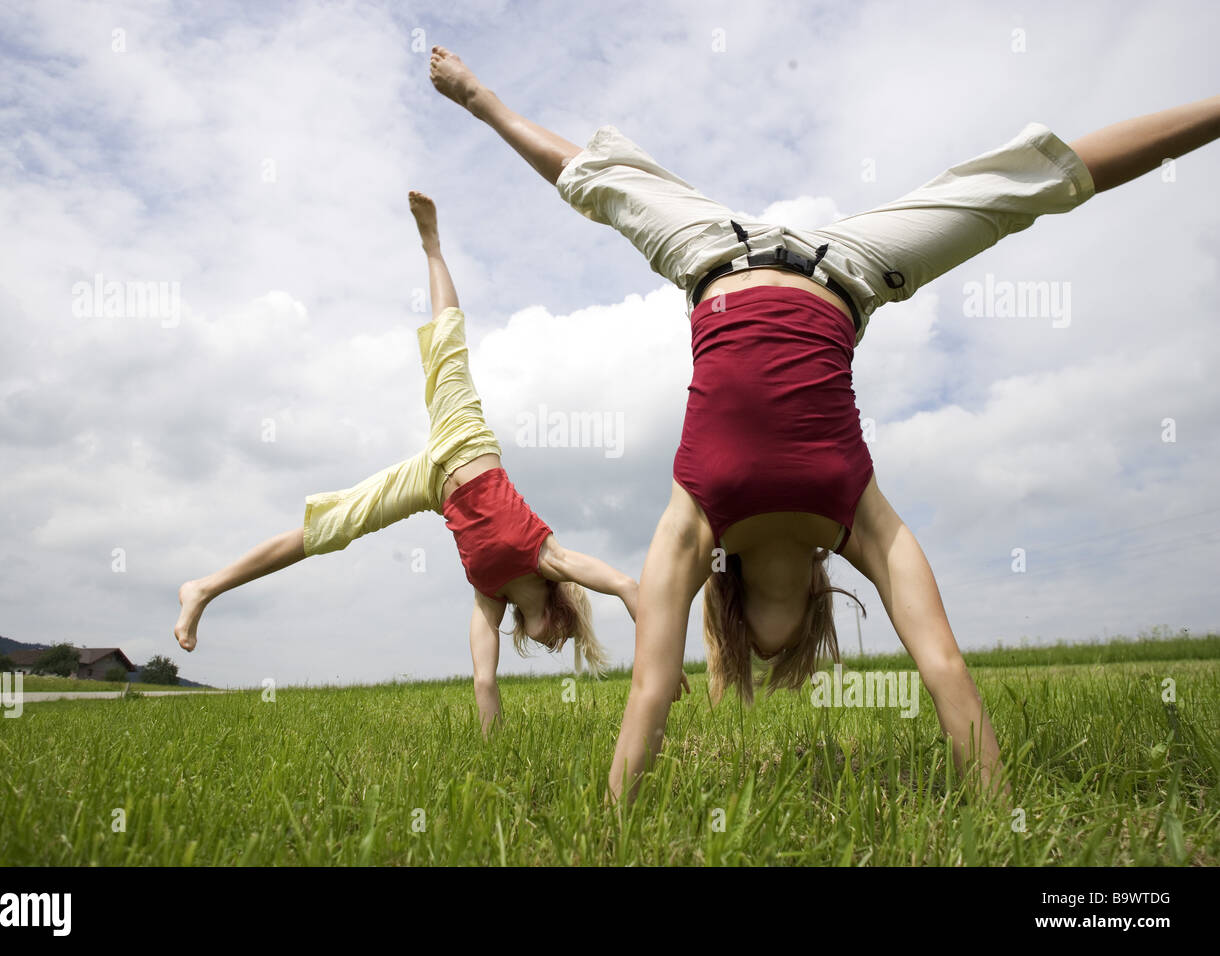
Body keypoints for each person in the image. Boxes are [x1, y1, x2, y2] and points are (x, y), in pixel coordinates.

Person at [428, 45, 1220, 798]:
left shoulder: (705, 526)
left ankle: (485, 103)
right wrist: (993, 799)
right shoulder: (825, 525)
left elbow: (654, 690)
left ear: (790, 591)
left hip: (725, 259)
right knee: (1023, 189)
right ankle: (485, 101)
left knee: (592, 181)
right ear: (817, 584)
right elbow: (939, 664)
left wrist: (610, 829)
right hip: (837, 270)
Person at [173, 191, 639, 735]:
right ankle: (433, 245)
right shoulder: (548, 558)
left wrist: (496, 756)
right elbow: (629, 587)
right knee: (448, 343)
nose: (558, 644)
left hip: (431, 485)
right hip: (465, 444)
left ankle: (203, 587)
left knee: (332, 525)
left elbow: (484, 684)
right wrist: (662, 665)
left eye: (561, 643)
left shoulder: (489, 597)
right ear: (561, 612)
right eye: (567, 635)